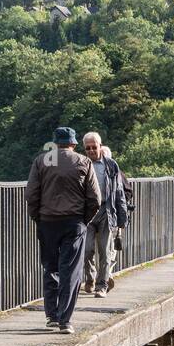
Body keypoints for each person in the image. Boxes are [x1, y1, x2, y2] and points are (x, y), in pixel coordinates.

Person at [26, 126, 101, 333]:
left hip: (47, 221)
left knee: (51, 268)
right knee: (70, 271)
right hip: (73, 223)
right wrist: (83, 220)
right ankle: (64, 320)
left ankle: (51, 316)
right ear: (74, 143)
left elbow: (31, 194)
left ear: (55, 142)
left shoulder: (41, 161)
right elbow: (95, 199)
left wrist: (38, 218)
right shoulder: (84, 162)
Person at [81, 131, 129, 297]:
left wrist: (122, 217)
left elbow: (119, 192)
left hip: (106, 211)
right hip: (87, 213)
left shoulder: (111, 165)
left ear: (100, 146)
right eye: (88, 148)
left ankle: (102, 286)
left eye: (94, 147)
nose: (91, 151)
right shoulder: (82, 164)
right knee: (86, 250)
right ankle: (90, 278)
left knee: (105, 251)